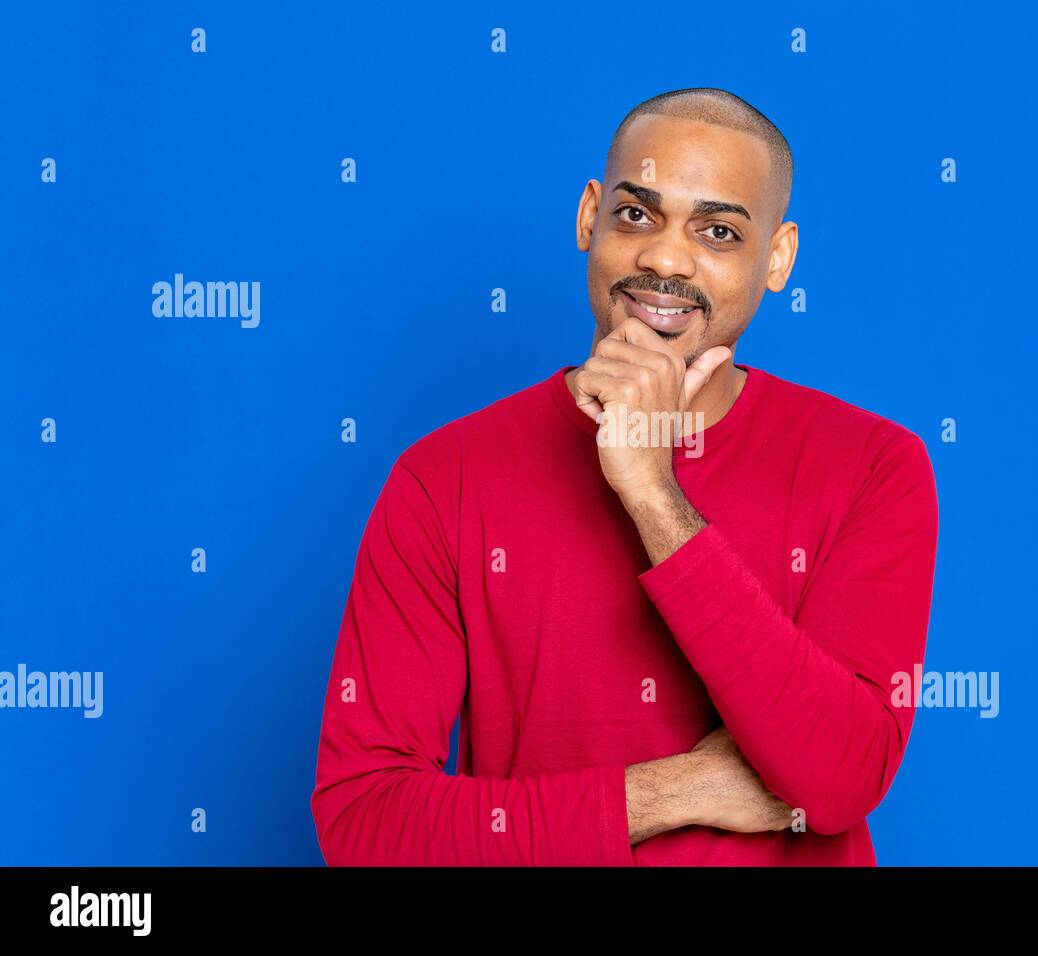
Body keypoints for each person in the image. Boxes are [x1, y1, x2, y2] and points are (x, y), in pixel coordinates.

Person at [310, 87, 939, 865]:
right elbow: (364, 824)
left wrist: (651, 491)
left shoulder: (873, 465)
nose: (666, 259)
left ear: (777, 259)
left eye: (717, 231)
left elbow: (840, 780)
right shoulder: (444, 478)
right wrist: (674, 792)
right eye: (638, 215)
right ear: (589, 217)